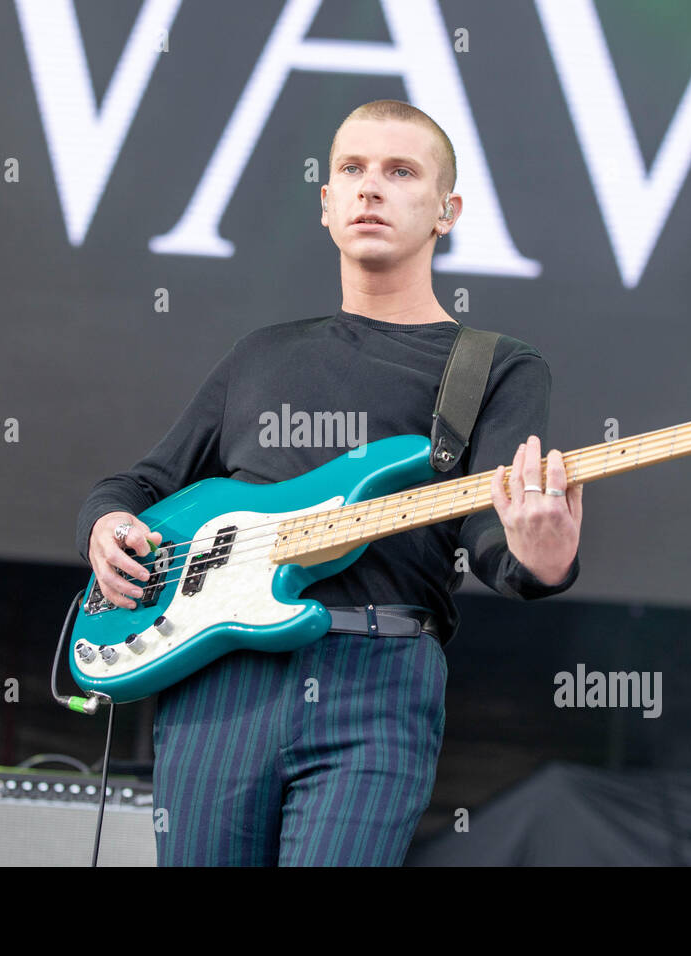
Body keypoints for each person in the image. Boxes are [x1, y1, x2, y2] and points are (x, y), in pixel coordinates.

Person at [76, 99, 583, 866]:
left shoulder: (495, 366)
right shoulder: (261, 355)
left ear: (447, 211)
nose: (370, 188)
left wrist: (541, 559)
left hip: (377, 680)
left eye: (400, 172)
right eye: (353, 169)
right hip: (219, 680)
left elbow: (491, 535)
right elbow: (141, 482)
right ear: (326, 203)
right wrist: (106, 523)